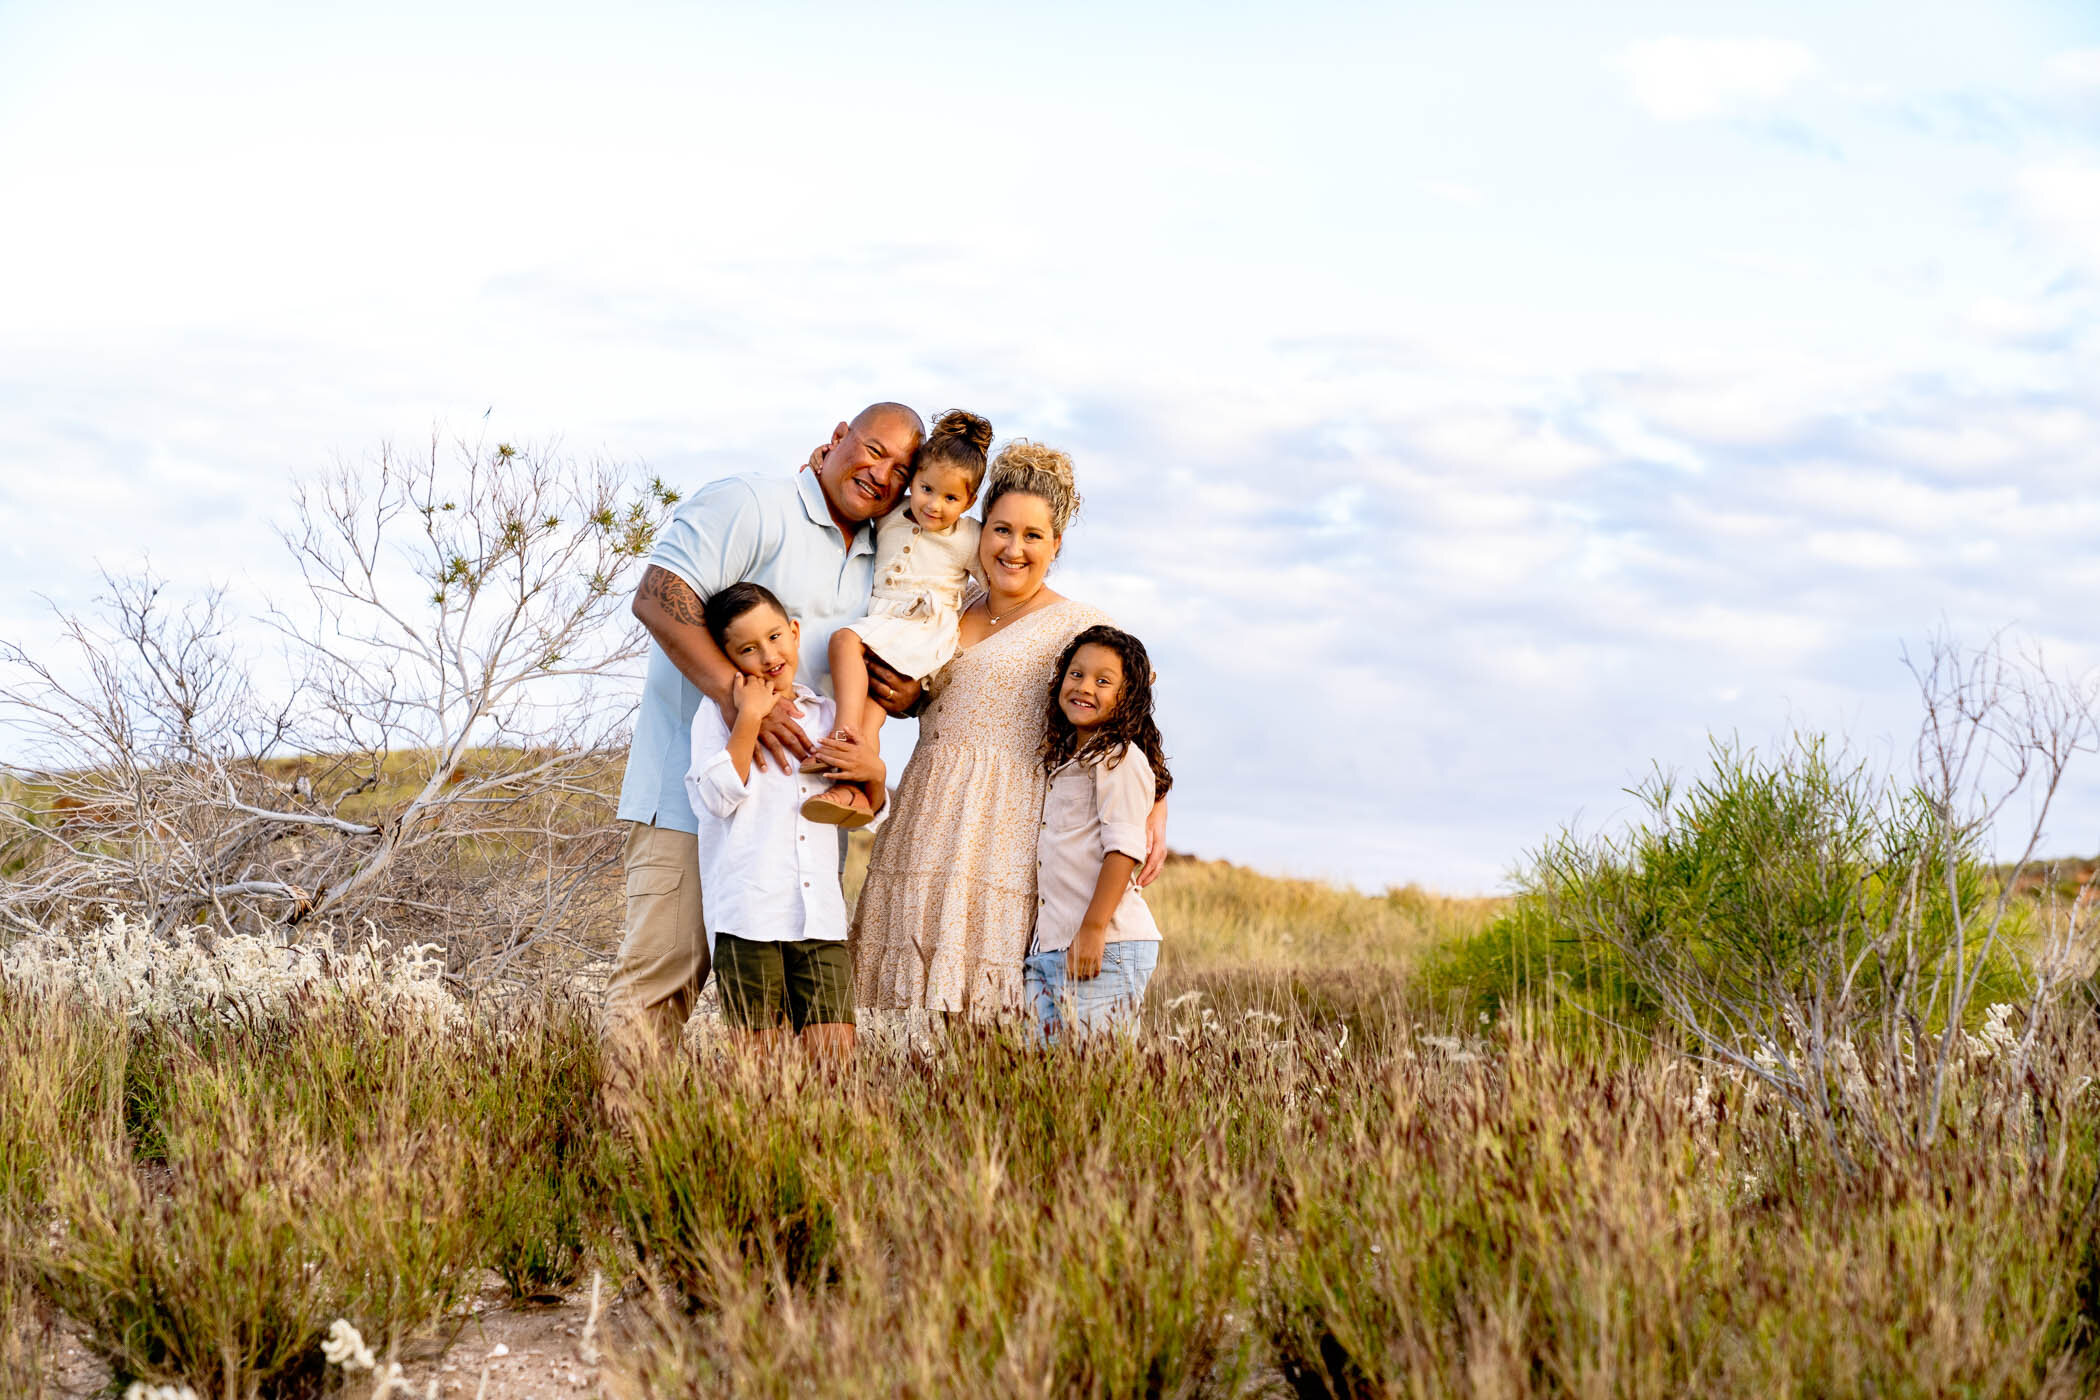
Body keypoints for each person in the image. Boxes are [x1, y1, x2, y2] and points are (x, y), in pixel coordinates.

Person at [604, 402, 923, 1080]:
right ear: (837, 438)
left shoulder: (883, 560)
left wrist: (896, 711)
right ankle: (626, 1165)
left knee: (795, 1028)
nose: (882, 474)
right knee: (661, 988)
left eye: (902, 470)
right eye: (873, 450)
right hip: (694, 805)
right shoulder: (750, 502)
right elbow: (659, 598)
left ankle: (774, 1163)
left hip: (801, 824)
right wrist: (740, 700)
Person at [847, 441, 1169, 1016]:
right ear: (978, 532)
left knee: (982, 1015)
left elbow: (1135, 720)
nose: (1013, 549)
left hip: (1005, 828)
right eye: (1000, 530)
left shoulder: (1082, 623)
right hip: (924, 811)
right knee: (896, 1013)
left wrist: (1155, 808)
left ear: (1056, 545)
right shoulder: (953, 600)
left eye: (1032, 536)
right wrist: (912, 699)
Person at [685, 583, 879, 1062]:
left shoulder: (829, 715)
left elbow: (862, 809)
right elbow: (713, 798)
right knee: (759, 1067)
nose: (768, 655)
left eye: (774, 637)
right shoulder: (716, 715)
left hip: (821, 920)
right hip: (750, 918)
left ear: (794, 632)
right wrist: (749, 717)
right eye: (747, 649)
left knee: (835, 1059)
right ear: (729, 659)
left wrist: (875, 773)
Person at [804, 409, 992, 828]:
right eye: (926, 489)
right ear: (912, 480)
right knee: (872, 705)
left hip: (921, 628)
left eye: (950, 498)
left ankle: (840, 740)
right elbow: (839, 489)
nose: (934, 505)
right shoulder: (891, 513)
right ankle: (854, 791)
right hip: (887, 623)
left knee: (843, 642)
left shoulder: (969, 537)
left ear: (969, 502)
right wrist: (821, 458)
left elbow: (997, 581)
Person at [1024, 626, 1170, 1041]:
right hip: (1053, 946)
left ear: (1127, 698)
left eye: (1103, 681)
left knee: (1094, 1077)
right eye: (1076, 674)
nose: (1085, 687)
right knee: (1036, 1074)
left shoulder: (1119, 759)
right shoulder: (1066, 758)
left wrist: (1093, 929)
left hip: (1107, 943)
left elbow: (1123, 849)